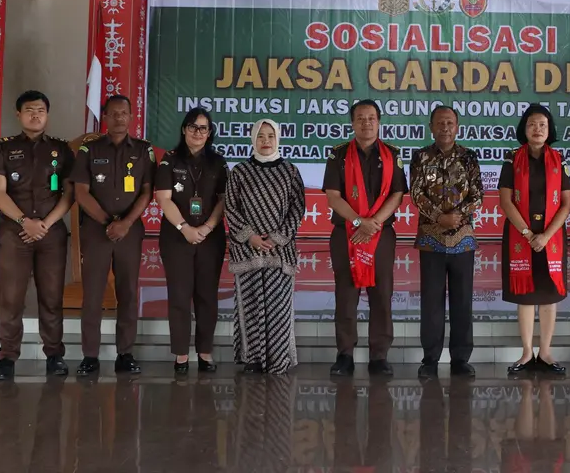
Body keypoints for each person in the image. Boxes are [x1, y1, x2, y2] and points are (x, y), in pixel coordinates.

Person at [0, 91, 75, 381]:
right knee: (11, 298)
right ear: (18, 114)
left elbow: (69, 194)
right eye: (29, 110)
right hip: (15, 233)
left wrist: (45, 224)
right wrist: (26, 221)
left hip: (51, 234)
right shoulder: (2, 148)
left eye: (40, 110)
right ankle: (7, 358)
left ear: (47, 115)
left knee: (51, 297)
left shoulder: (62, 150)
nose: (35, 115)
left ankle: (54, 355)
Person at [70, 95, 156, 377]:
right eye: (114, 114)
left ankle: (125, 353)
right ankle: (90, 356)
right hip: (96, 231)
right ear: (104, 117)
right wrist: (109, 222)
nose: (119, 118)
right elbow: (81, 192)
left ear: (132, 117)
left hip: (129, 232)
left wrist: (126, 223)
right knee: (93, 294)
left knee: (128, 293)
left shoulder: (144, 151)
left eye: (124, 113)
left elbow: (146, 192)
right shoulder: (89, 149)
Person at [323, 100, 408, 377]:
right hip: (346, 233)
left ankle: (379, 356)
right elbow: (333, 196)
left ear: (379, 121)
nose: (366, 123)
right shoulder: (338, 156)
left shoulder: (392, 155)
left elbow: (397, 194)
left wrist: (374, 224)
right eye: (360, 118)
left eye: (371, 118)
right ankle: (345, 354)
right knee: (346, 295)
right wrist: (359, 222)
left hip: (381, 234)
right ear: (352, 123)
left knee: (381, 295)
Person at [224, 119, 306, 374]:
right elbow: (230, 207)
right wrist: (251, 237)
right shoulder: (239, 172)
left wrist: (278, 237)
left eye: (271, 135)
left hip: (280, 252)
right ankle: (253, 359)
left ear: (278, 138)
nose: (266, 141)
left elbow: (297, 207)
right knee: (250, 306)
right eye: (261, 136)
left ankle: (278, 360)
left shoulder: (290, 171)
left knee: (277, 308)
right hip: (247, 250)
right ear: (253, 139)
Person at [409, 105, 484, 379]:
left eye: (450, 123)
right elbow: (416, 193)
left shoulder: (469, 157)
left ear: (458, 127)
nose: (445, 128)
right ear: (431, 127)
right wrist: (439, 217)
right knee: (432, 302)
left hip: (463, 240)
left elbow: (477, 194)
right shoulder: (421, 157)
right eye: (440, 123)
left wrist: (457, 216)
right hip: (431, 240)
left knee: (463, 302)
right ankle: (430, 359)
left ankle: (460, 359)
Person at [154, 107, 229, 375]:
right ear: (184, 129)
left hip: (211, 237)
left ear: (210, 134)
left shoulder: (219, 162)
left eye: (203, 128)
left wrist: (207, 227)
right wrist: (184, 227)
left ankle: (205, 352)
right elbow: (163, 198)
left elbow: (223, 201)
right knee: (179, 295)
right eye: (193, 127)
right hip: (176, 237)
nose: (198, 132)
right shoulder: (169, 160)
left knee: (207, 295)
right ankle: (181, 355)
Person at [499, 104, 570, 376]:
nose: (538, 129)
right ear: (524, 128)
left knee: (549, 295)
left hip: (551, 237)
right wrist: (530, 234)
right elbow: (506, 201)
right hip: (522, 236)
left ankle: (546, 352)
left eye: (542, 124)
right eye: (532, 124)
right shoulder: (511, 159)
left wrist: (546, 235)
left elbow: (566, 202)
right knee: (526, 296)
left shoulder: (559, 159)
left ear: (549, 128)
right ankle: (527, 353)